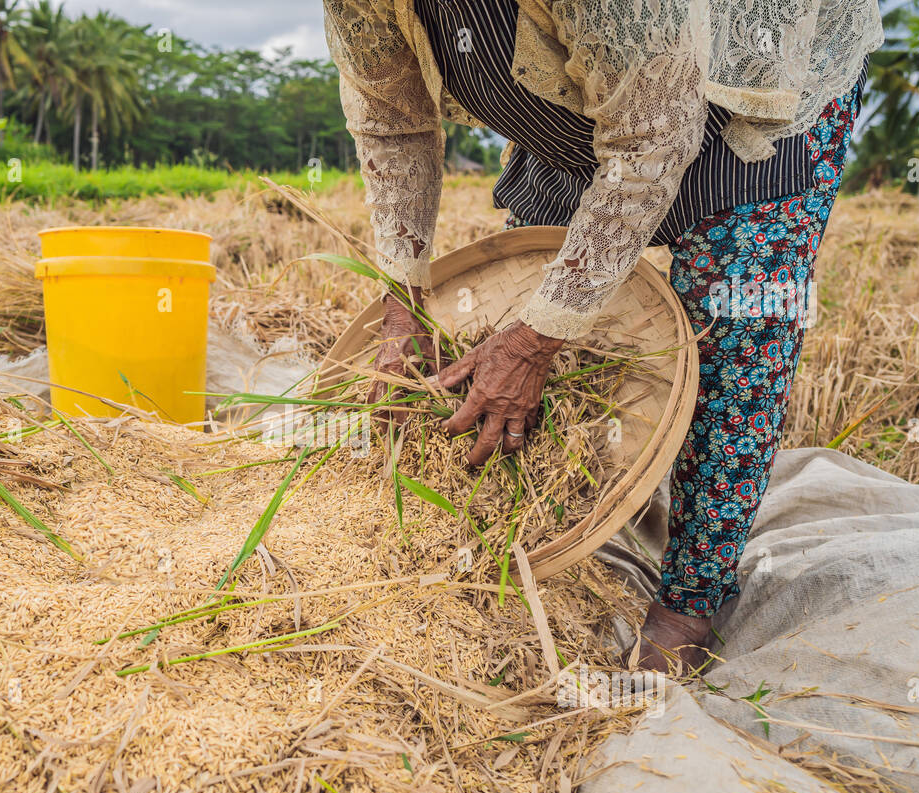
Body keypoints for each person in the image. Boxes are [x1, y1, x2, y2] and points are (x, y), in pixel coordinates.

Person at [324, 0, 883, 673]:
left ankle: (690, 598)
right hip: (598, 95)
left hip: (746, 83)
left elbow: (653, 140)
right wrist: (402, 300)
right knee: (539, 298)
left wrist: (537, 339)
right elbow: (392, 124)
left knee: (736, 325)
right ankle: (538, 530)